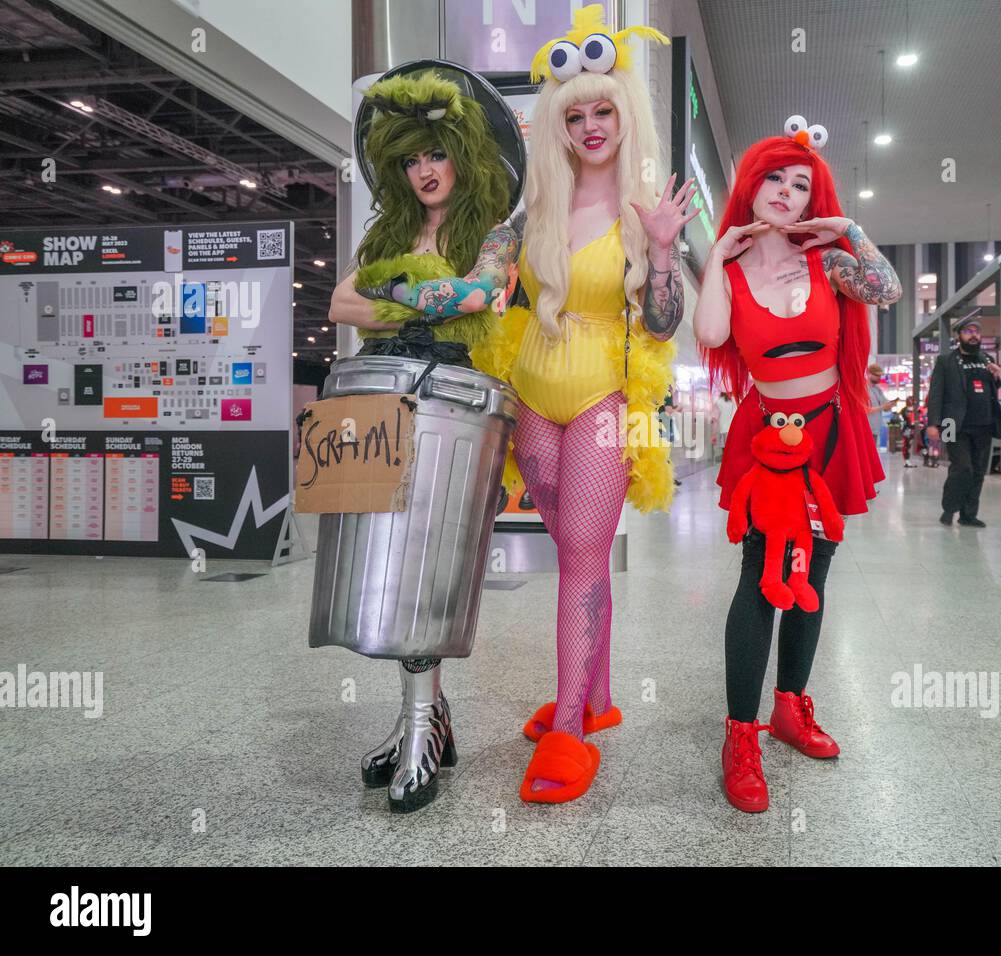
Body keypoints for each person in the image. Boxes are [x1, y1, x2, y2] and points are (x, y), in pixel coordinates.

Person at [473, 4, 694, 804]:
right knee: (572, 546)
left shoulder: (645, 211)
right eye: (577, 113)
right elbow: (484, 281)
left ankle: (569, 727)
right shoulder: (531, 209)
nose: (592, 124)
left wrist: (665, 250)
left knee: (579, 556)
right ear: (557, 123)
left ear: (623, 115)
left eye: (604, 110)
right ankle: (595, 699)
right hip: (531, 390)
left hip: (605, 393)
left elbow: (664, 323)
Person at [325, 66, 519, 813]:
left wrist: (396, 290)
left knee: (427, 567)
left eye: (435, 155)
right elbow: (343, 300)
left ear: (460, 155)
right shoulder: (389, 230)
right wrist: (420, 296)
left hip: (450, 409)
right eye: (410, 160)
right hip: (378, 400)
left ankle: (419, 730)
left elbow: (479, 296)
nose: (424, 171)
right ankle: (426, 721)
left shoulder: (495, 231)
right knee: (385, 565)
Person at [695, 117, 901, 813]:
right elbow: (711, 334)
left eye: (801, 183)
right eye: (774, 179)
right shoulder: (727, 270)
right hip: (766, 440)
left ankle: (789, 708)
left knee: (813, 573)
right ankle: (740, 735)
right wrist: (716, 253)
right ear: (750, 187)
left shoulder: (830, 262)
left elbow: (887, 288)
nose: (786, 192)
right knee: (760, 576)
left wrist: (846, 227)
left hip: (831, 433)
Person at [925, 317, 1001, 526]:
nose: (974, 335)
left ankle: (968, 515)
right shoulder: (946, 361)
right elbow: (936, 393)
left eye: (977, 332)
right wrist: (933, 423)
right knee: (962, 467)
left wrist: (997, 376)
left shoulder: (986, 358)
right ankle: (949, 508)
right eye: (968, 332)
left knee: (978, 471)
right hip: (953, 424)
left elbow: (992, 389)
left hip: (984, 424)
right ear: (958, 335)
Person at [866, 363, 894, 455]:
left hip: (875, 428)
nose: (879, 377)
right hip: (866, 429)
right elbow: (864, 409)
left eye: (880, 375)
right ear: (869, 373)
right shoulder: (864, 389)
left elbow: (884, 405)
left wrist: (889, 405)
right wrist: (883, 407)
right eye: (877, 375)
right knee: (867, 454)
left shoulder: (878, 390)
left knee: (872, 454)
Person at [900, 394, 920, 468]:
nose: (911, 401)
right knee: (906, 445)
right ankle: (907, 460)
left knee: (910, 444)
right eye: (910, 400)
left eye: (912, 400)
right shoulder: (904, 410)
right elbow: (904, 419)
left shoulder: (916, 410)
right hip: (907, 429)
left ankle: (908, 460)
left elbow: (919, 418)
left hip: (913, 429)